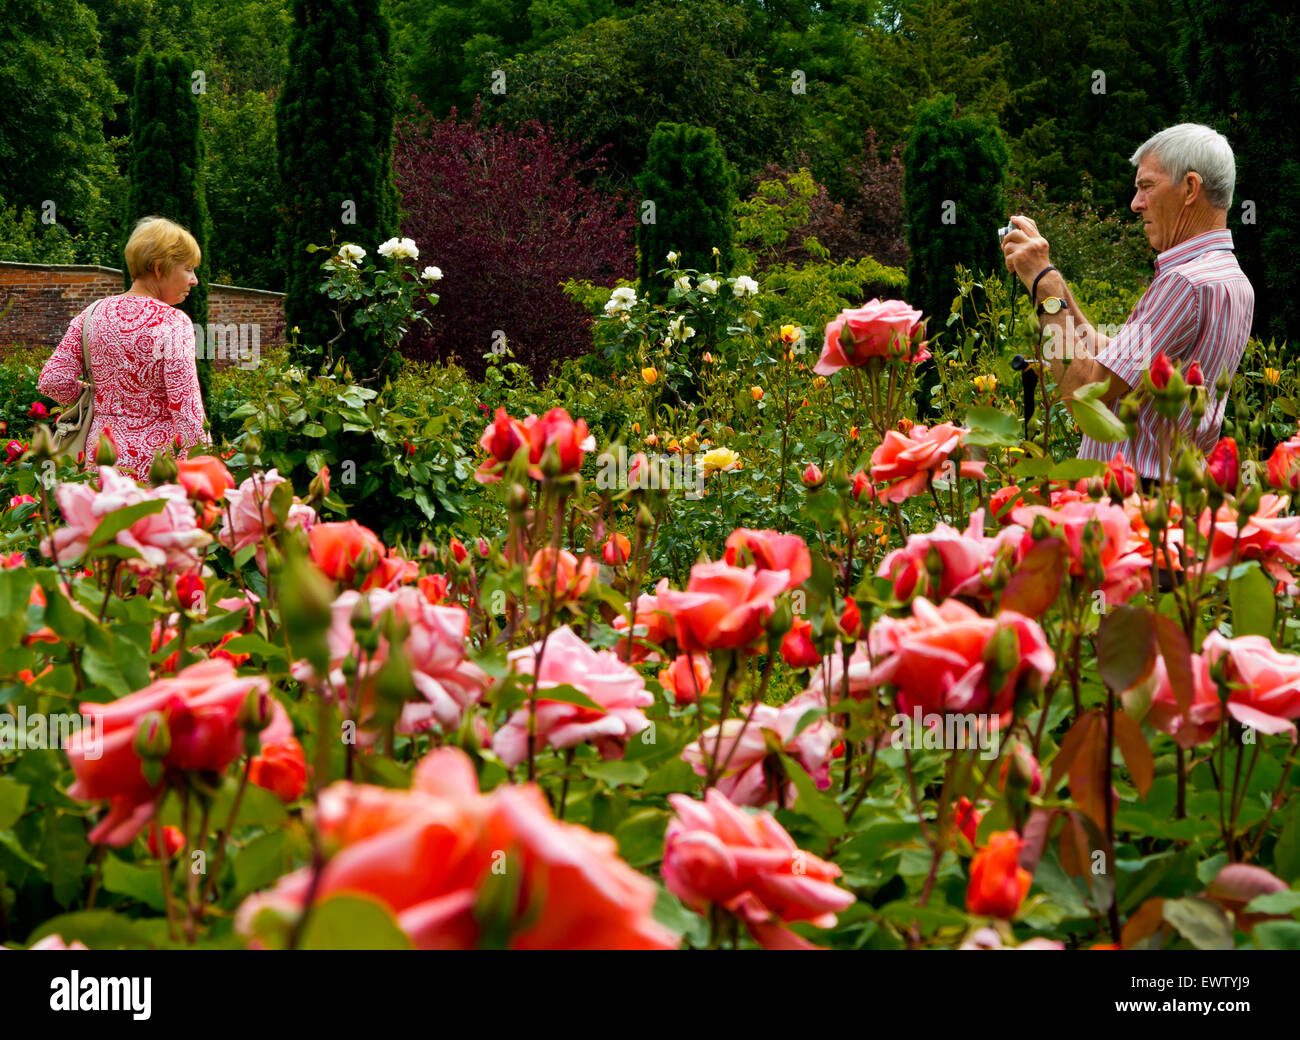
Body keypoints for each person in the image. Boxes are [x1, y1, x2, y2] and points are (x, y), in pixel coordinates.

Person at [1000, 123, 1254, 482]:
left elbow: (1086, 392)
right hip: (1177, 492)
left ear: (1190, 188)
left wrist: (1044, 288)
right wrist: (1051, 275)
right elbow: (1116, 358)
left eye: (1147, 186)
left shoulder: (1183, 283)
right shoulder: (1230, 278)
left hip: (1134, 502)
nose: (1136, 204)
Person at [38, 215, 209, 479]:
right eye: (188, 269)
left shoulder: (92, 314)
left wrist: (95, 397)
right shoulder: (173, 321)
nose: (194, 280)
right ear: (159, 268)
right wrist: (205, 465)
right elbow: (186, 408)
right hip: (156, 467)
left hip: (100, 460)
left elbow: (53, 381)